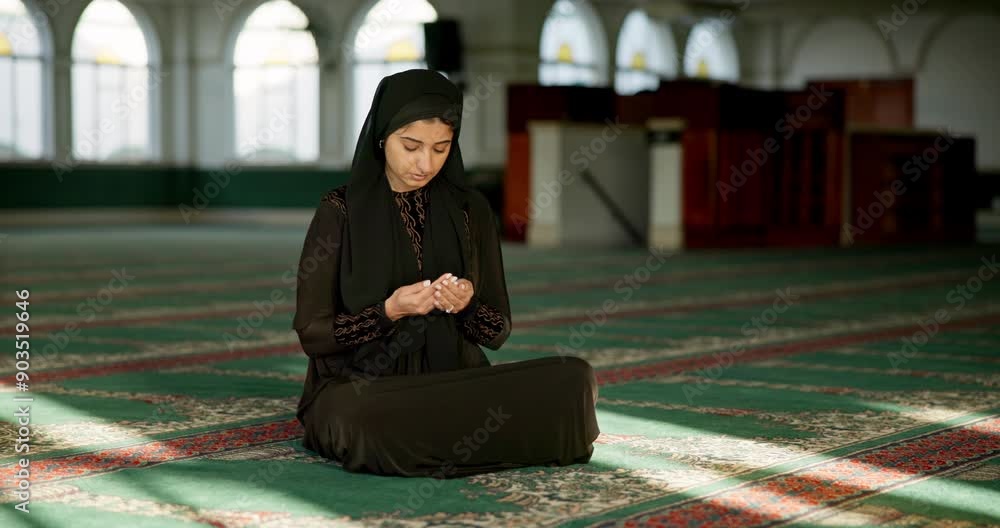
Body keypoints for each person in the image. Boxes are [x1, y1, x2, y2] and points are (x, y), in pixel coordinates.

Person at [292, 69, 600, 478]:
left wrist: (467, 306)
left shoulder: (471, 211)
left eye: (441, 148)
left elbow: (497, 332)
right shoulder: (340, 211)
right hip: (364, 389)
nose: (425, 163)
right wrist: (388, 311)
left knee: (573, 378)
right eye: (411, 146)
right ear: (383, 137)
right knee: (362, 416)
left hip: (456, 383)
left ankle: (436, 438)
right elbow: (313, 334)